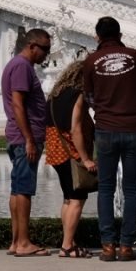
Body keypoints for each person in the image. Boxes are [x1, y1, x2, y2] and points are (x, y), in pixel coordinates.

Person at [82, 15, 136, 262]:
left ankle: (108, 246)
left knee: (106, 190)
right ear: (120, 35)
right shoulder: (135, 56)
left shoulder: (91, 61)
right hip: (134, 128)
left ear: (97, 37)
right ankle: (127, 247)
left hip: (106, 130)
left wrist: (104, 107)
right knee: (131, 189)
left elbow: (88, 97)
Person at [0, 28, 52, 257]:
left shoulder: (19, 65)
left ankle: (16, 241)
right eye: (45, 49)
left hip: (20, 136)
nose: (46, 55)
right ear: (32, 46)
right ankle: (23, 242)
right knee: (24, 190)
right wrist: (30, 139)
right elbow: (19, 104)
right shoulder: (22, 66)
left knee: (17, 188)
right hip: (24, 138)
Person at [46, 58, 97, 258]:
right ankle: (67, 246)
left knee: (68, 198)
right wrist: (86, 159)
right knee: (77, 199)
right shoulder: (77, 95)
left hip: (56, 153)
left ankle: (69, 242)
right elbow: (75, 129)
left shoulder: (55, 96)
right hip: (71, 154)